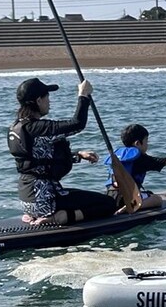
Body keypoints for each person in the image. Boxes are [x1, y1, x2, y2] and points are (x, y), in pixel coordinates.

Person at [7, 76, 117, 227]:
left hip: (28, 200)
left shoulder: (16, 127)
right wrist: (83, 95)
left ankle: (37, 214)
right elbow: (77, 124)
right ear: (38, 100)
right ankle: (60, 217)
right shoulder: (38, 128)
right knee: (108, 204)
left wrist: (77, 155)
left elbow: (39, 159)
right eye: (47, 97)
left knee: (81, 197)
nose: (49, 101)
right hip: (45, 200)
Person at [104, 124, 166, 210]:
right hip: (128, 199)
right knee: (157, 199)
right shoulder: (141, 159)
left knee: (147, 193)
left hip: (112, 197)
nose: (147, 144)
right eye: (146, 140)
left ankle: (128, 205)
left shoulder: (116, 157)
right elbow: (164, 161)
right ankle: (132, 206)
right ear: (138, 143)